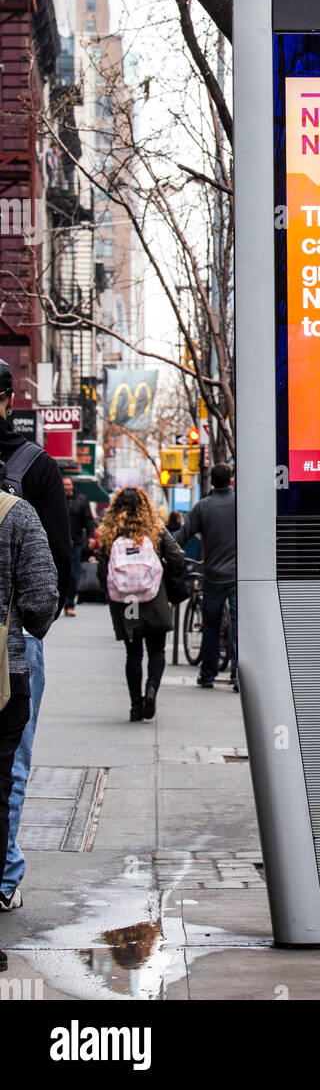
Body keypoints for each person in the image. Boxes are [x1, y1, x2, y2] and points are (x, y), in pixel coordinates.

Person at [0, 357, 70, 917]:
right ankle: (3, 876)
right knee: (13, 761)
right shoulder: (36, 467)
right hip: (12, 643)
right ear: (9, 401)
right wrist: (31, 628)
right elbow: (55, 576)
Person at [0, 473, 59, 971]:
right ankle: (2, 880)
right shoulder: (16, 515)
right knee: (3, 782)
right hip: (4, 677)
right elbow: (40, 604)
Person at [96, 487, 185, 721]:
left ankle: (136, 706)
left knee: (133, 652)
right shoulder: (155, 530)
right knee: (156, 649)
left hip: (129, 601)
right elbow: (177, 556)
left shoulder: (109, 533)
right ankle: (151, 690)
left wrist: (111, 590)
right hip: (153, 597)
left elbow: (101, 570)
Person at [174, 463, 237, 691]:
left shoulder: (203, 507)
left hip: (213, 576)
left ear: (211, 481)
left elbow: (181, 537)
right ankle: (238, 675)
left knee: (211, 626)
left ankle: (208, 674)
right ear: (231, 480)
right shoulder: (241, 504)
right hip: (238, 577)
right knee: (239, 626)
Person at [62, 476, 96, 616]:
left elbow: (89, 520)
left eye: (68, 484)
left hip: (75, 542)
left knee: (74, 574)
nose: (66, 487)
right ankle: (58, 604)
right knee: (58, 573)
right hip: (59, 542)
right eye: (63, 484)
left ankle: (70, 605)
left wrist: (91, 537)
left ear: (72, 485)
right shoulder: (56, 498)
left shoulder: (82, 500)